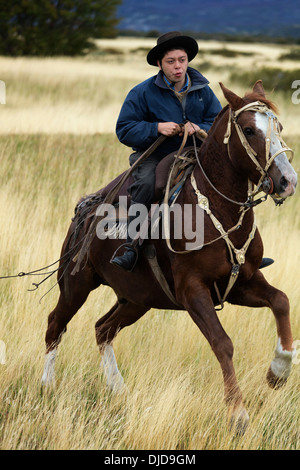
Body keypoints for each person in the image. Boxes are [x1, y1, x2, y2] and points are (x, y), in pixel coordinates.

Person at [110, 31, 222, 271]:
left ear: (188, 60)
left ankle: (242, 247)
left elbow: (219, 123)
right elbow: (124, 129)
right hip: (156, 155)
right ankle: (132, 246)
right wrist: (156, 128)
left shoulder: (204, 90)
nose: (178, 66)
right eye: (171, 62)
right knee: (147, 184)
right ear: (160, 64)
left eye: (182, 60)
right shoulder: (142, 92)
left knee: (231, 181)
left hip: (197, 153)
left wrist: (200, 128)